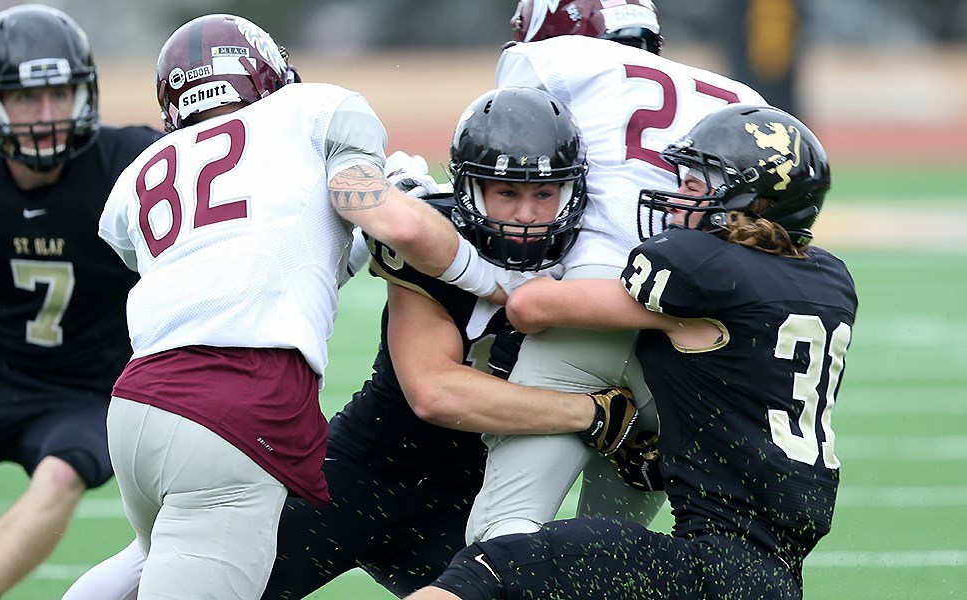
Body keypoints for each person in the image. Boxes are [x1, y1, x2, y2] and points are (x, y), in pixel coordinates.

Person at [63, 85, 647, 599]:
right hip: (359, 475)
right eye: (505, 194)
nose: (525, 215)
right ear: (469, 190)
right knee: (184, 568)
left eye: (543, 195)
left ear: (573, 193)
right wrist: (592, 416)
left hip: (466, 499)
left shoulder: (594, 258)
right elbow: (435, 391)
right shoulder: (432, 237)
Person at [407, 103, 857, 600]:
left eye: (694, 185)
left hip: (709, 565)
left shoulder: (707, 272)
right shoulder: (829, 279)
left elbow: (533, 307)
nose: (676, 198)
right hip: (770, 574)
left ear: (757, 202)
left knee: (490, 568)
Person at [464, 0, 770, 545]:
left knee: (503, 532)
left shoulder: (552, 61)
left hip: (589, 303)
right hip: (691, 324)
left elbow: (505, 146)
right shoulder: (744, 98)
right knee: (609, 551)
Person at [0, 5, 162, 599]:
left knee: (59, 476)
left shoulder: (130, 164)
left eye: (60, 94)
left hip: (92, 390)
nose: (46, 116)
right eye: (26, 99)